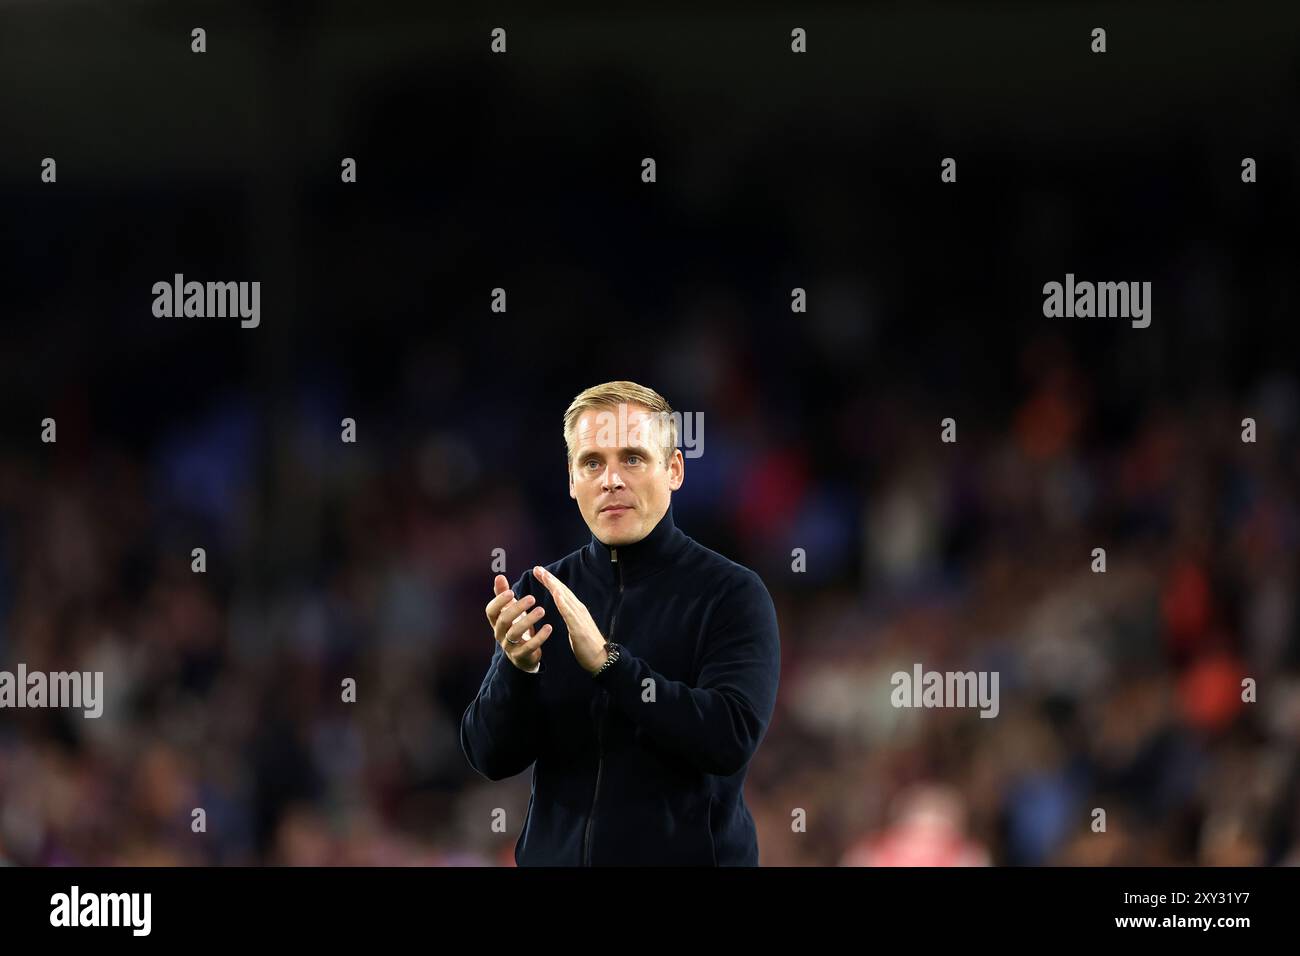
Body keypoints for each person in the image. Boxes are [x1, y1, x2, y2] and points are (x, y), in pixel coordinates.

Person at [459, 380, 781, 865]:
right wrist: (517, 671)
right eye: (592, 462)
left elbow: (728, 739)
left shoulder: (731, 593)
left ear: (673, 470)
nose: (611, 480)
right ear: (572, 479)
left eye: (632, 458)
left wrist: (611, 666)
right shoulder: (541, 592)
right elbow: (490, 757)